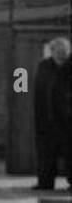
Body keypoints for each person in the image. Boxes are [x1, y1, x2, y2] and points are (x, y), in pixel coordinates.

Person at [33, 36, 72, 191]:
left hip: (68, 119)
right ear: (52, 51)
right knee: (46, 152)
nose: (62, 54)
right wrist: (19, 92)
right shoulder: (44, 66)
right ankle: (45, 182)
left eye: (66, 51)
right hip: (47, 118)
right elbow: (36, 88)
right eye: (59, 51)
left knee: (70, 153)